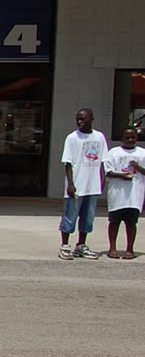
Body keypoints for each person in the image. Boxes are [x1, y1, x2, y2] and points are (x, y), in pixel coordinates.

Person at [58, 107, 107, 259]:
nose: (79, 121)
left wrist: (102, 180)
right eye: (78, 118)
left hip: (92, 185)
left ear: (91, 119)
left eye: (83, 118)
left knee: (88, 217)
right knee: (70, 216)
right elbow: (67, 163)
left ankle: (81, 245)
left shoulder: (99, 137)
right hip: (77, 185)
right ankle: (65, 245)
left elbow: (102, 161)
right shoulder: (72, 138)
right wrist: (70, 184)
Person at [103, 126, 144, 258]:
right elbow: (108, 172)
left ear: (137, 138)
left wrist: (137, 167)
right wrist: (122, 176)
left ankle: (130, 250)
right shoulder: (114, 152)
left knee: (131, 223)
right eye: (127, 137)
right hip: (117, 194)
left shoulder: (142, 153)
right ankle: (112, 248)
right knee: (114, 222)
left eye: (133, 137)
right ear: (122, 139)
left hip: (134, 195)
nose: (130, 140)